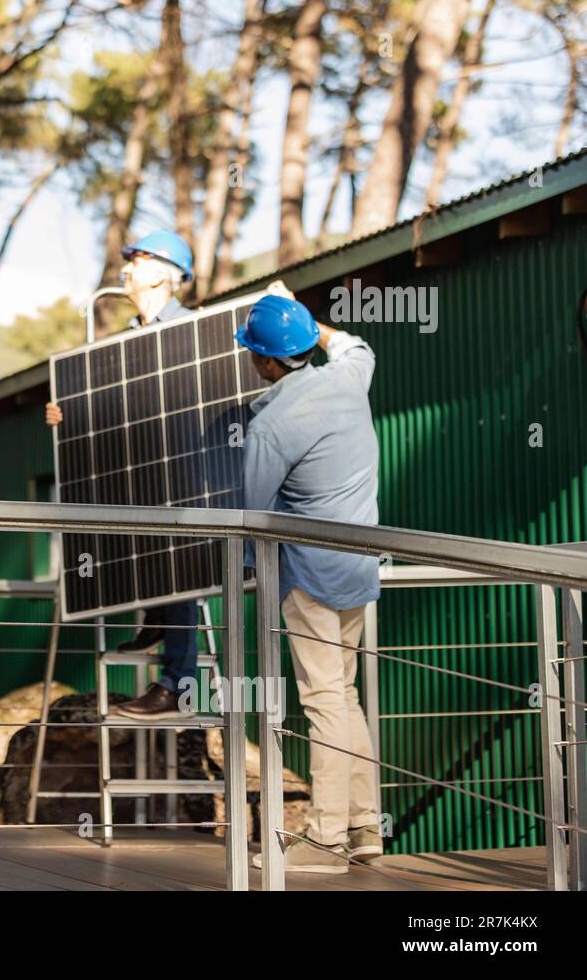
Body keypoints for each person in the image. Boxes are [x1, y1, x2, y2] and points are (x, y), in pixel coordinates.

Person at [234, 294, 382, 875]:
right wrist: (304, 319)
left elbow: (250, 512)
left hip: (311, 577)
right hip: (359, 568)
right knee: (341, 696)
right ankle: (365, 825)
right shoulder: (350, 377)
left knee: (323, 702)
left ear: (267, 363)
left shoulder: (271, 424)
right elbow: (356, 344)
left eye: (253, 353)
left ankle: (324, 843)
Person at [45, 230, 203, 721]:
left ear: (162, 273)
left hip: (188, 480)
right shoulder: (127, 342)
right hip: (144, 482)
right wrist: (70, 416)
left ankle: (178, 686)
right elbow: (121, 413)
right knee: (139, 545)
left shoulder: (195, 336)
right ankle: (154, 615)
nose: (126, 270)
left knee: (181, 567)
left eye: (136, 261)